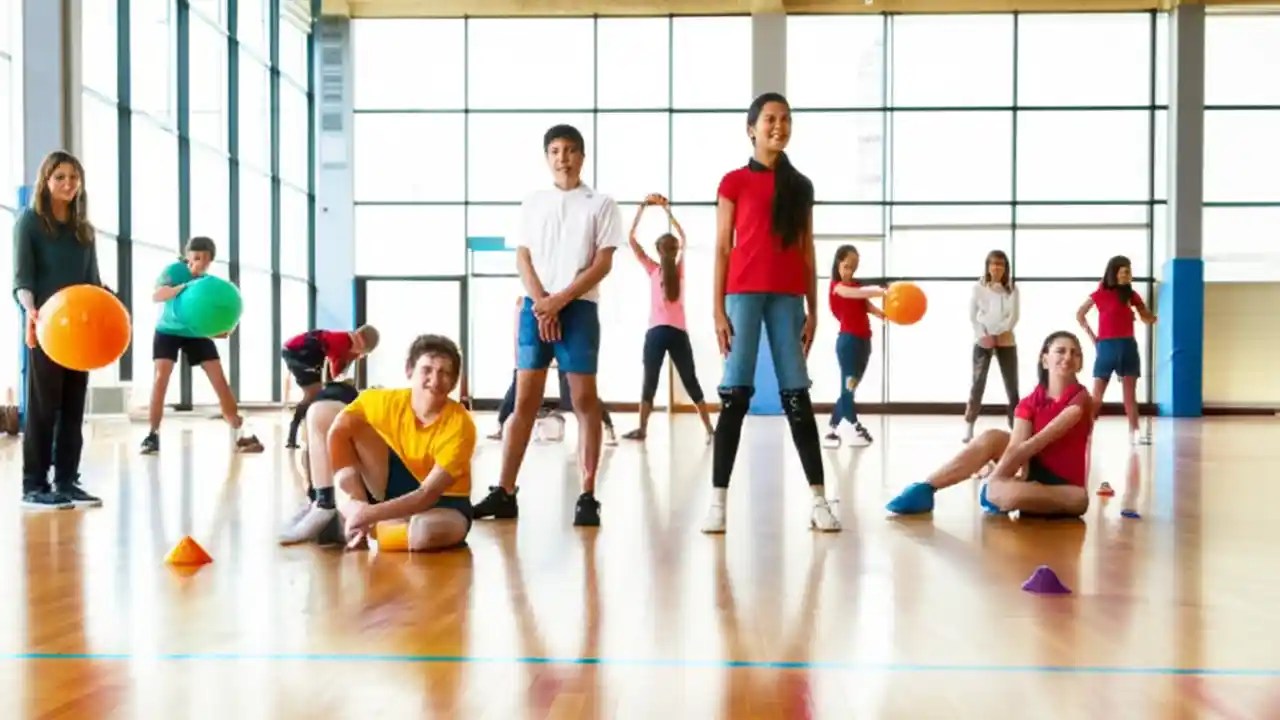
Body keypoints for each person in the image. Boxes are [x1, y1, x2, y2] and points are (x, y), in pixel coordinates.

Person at [471, 124, 623, 527]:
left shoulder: (601, 203)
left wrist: (560, 301)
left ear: (582, 156)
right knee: (524, 403)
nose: (563, 158)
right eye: (555, 151)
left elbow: (603, 263)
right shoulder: (532, 203)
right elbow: (523, 257)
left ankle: (587, 495)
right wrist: (543, 303)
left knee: (584, 402)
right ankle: (505, 491)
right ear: (547, 157)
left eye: (571, 150)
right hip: (536, 309)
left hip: (578, 310)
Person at [702, 92, 841, 534]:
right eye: (769, 119)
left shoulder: (801, 187)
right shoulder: (732, 182)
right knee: (736, 395)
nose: (778, 126)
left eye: (785, 119)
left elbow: (807, 250)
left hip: (787, 297)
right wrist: (717, 311)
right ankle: (718, 503)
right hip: (741, 294)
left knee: (797, 395)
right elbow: (722, 248)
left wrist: (815, 309)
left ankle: (819, 501)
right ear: (751, 128)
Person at [279, 335, 475, 550]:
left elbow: (427, 495)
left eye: (444, 373)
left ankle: (363, 529)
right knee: (325, 412)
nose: (435, 380)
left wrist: (366, 515)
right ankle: (328, 506)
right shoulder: (382, 400)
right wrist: (351, 503)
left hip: (444, 502)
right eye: (427, 370)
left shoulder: (461, 425)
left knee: (423, 532)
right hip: (391, 486)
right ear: (410, 371)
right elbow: (337, 433)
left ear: (454, 382)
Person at [884, 331, 1094, 518]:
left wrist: (996, 478)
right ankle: (925, 489)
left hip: (1067, 491)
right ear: (1045, 359)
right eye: (1061, 351)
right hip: (1032, 473)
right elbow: (1016, 446)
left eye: (1075, 353)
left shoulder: (1081, 398)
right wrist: (999, 477)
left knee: (1012, 492)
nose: (1068, 357)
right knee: (991, 438)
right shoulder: (1030, 402)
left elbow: (1037, 442)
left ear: (1080, 363)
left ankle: (998, 491)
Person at [12, 150, 106, 510]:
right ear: (46, 181)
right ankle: (34, 485)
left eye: (74, 177)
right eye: (60, 177)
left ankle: (67, 480)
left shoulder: (84, 230)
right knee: (42, 407)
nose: (68, 184)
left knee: (72, 406)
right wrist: (31, 312)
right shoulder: (30, 222)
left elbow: (92, 281)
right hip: (47, 326)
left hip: (81, 331)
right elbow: (23, 276)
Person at [139, 236, 264, 455]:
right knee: (161, 378)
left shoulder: (208, 283)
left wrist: (222, 330)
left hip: (195, 332)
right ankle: (152, 435)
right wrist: (184, 287)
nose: (200, 263)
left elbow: (219, 323)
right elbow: (157, 295)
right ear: (187, 256)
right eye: (196, 258)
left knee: (219, 379)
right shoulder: (174, 271)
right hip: (167, 330)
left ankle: (241, 431)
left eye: (205, 260)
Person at [620, 193, 715, 442]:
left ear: (658, 251)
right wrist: (666, 210)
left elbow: (630, 239)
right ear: (674, 251)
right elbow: (684, 238)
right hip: (678, 333)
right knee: (690, 380)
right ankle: (709, 430)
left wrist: (643, 207)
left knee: (649, 381)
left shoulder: (654, 270)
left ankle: (642, 429)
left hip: (656, 333)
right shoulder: (679, 268)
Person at [489, 295, 617, 445]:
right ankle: (500, 426)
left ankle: (608, 427)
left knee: (580, 395)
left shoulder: (562, 302)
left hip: (561, 345)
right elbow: (519, 335)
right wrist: (520, 359)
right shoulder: (523, 303)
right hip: (536, 349)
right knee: (519, 391)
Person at [1075, 255, 1156, 446]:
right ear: (1115, 273)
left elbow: (1147, 317)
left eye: (1130, 271)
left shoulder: (1131, 295)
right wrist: (1093, 338)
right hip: (1106, 348)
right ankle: (1084, 433)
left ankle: (1135, 434)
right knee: (1097, 397)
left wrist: (1155, 317)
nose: (1129, 275)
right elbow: (1080, 314)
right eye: (1125, 271)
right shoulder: (1100, 294)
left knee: (1130, 397)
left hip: (1128, 347)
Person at [823, 244, 885, 449]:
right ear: (838, 264)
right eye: (847, 266)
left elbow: (864, 303)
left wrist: (880, 312)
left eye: (854, 267)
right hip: (848, 343)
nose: (850, 271)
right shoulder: (837, 287)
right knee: (848, 387)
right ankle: (854, 425)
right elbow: (853, 295)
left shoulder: (856, 285)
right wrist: (880, 291)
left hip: (864, 342)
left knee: (850, 387)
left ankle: (832, 429)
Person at [281, 325, 380, 448]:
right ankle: (296, 433)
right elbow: (334, 369)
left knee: (314, 393)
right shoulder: (343, 341)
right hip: (296, 352)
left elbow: (334, 370)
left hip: (301, 353)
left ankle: (299, 433)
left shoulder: (347, 343)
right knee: (313, 393)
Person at [963, 249, 1020, 443]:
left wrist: (1002, 332)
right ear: (988, 267)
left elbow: (1014, 316)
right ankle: (969, 425)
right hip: (983, 340)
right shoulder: (978, 287)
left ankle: (1015, 427)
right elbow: (973, 315)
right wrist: (983, 335)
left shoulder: (1012, 288)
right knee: (978, 383)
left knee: (1012, 385)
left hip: (1006, 339)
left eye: (1001, 264)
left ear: (1006, 268)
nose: (997, 268)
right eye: (993, 264)